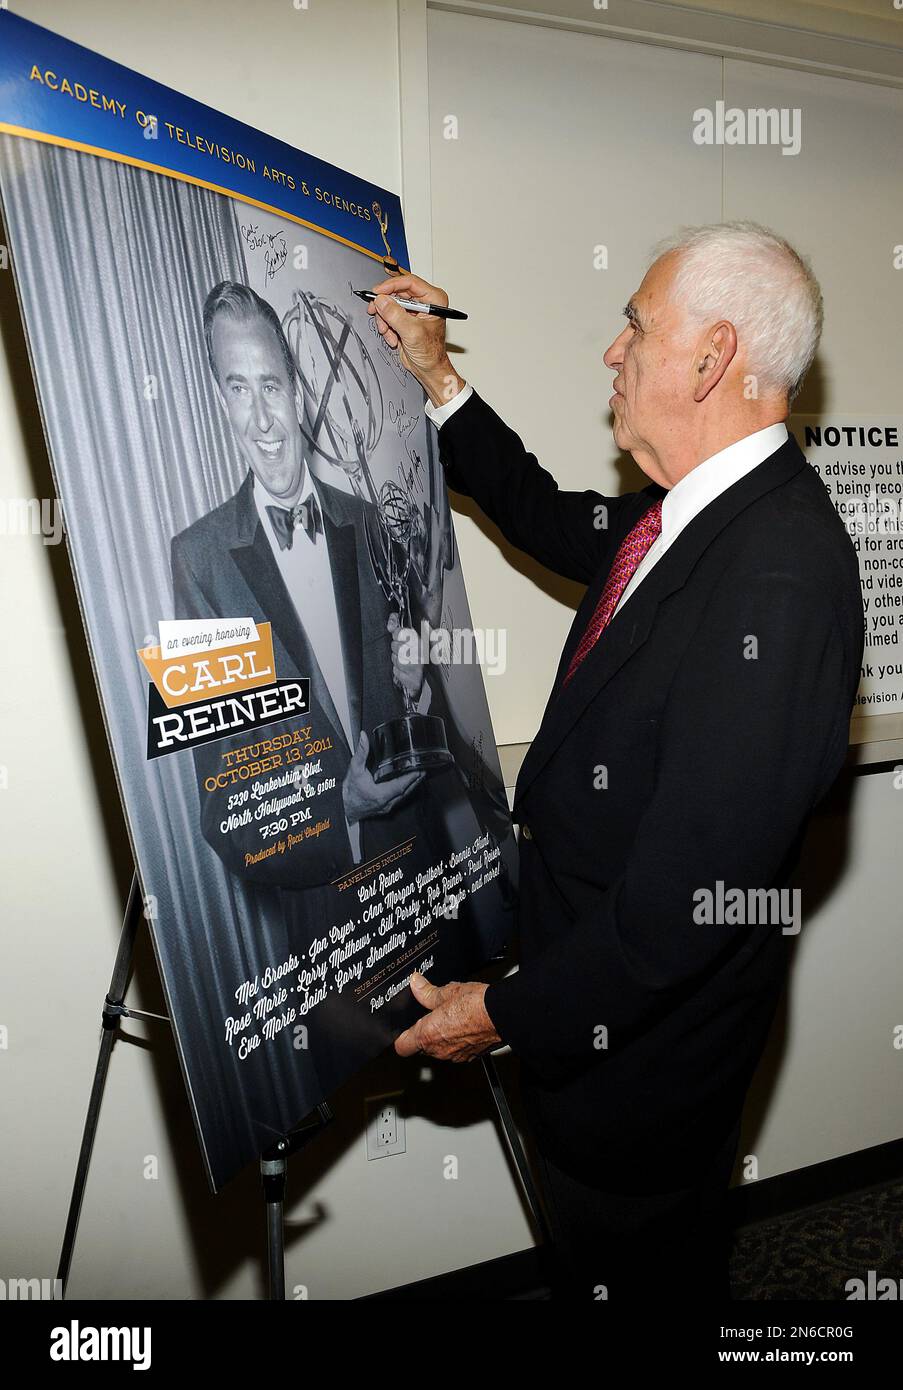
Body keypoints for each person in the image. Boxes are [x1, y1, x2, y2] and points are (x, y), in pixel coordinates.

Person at [381, 223, 864, 1301]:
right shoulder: (688, 520)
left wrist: (499, 1014)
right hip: (597, 1041)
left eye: (635, 324)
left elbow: (686, 902)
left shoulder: (776, 578)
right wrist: (437, 376)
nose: (613, 351)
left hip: (642, 1075)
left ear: (711, 355)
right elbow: (550, 514)